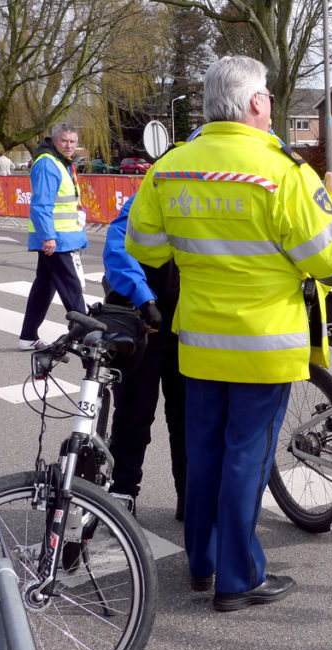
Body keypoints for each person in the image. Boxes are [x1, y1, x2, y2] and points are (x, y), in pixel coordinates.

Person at [126, 55, 332, 611]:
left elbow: (145, 247)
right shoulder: (283, 172)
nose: (271, 103)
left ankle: (201, 564)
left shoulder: (171, 168)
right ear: (254, 102)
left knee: (203, 453)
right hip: (264, 345)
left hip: (200, 340)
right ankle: (239, 578)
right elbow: (328, 257)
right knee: (246, 457)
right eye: (269, 95)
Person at [102, 193, 187, 520]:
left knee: (188, 419)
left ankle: (189, 496)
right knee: (133, 416)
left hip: (189, 327)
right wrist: (144, 298)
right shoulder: (151, 194)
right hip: (142, 323)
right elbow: (118, 247)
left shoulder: (212, 195)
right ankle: (123, 494)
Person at [18, 123, 88, 350]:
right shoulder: (48, 163)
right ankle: (85, 336)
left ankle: (28, 336)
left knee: (45, 286)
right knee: (71, 287)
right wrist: (48, 237)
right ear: (54, 141)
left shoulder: (60, 162)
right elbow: (41, 204)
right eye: (64, 141)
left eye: (73, 141)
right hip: (57, 239)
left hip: (61, 236)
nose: (69, 146)